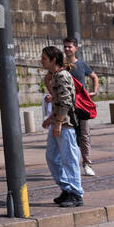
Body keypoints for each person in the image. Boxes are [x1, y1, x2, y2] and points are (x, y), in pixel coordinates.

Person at [40, 45, 83, 207]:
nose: (41, 61)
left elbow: (66, 102)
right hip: (58, 123)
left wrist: (58, 122)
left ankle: (76, 193)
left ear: (53, 60)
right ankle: (66, 188)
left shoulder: (63, 76)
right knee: (52, 157)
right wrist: (51, 118)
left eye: (44, 58)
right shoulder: (55, 76)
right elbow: (58, 102)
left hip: (66, 125)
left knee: (69, 159)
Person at [63, 36, 99, 176]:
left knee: (84, 135)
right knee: (68, 136)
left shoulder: (82, 65)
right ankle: (71, 165)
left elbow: (94, 77)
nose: (67, 49)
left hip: (81, 104)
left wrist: (94, 91)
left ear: (75, 48)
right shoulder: (62, 65)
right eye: (65, 46)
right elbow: (49, 78)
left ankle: (87, 164)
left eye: (69, 46)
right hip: (67, 105)